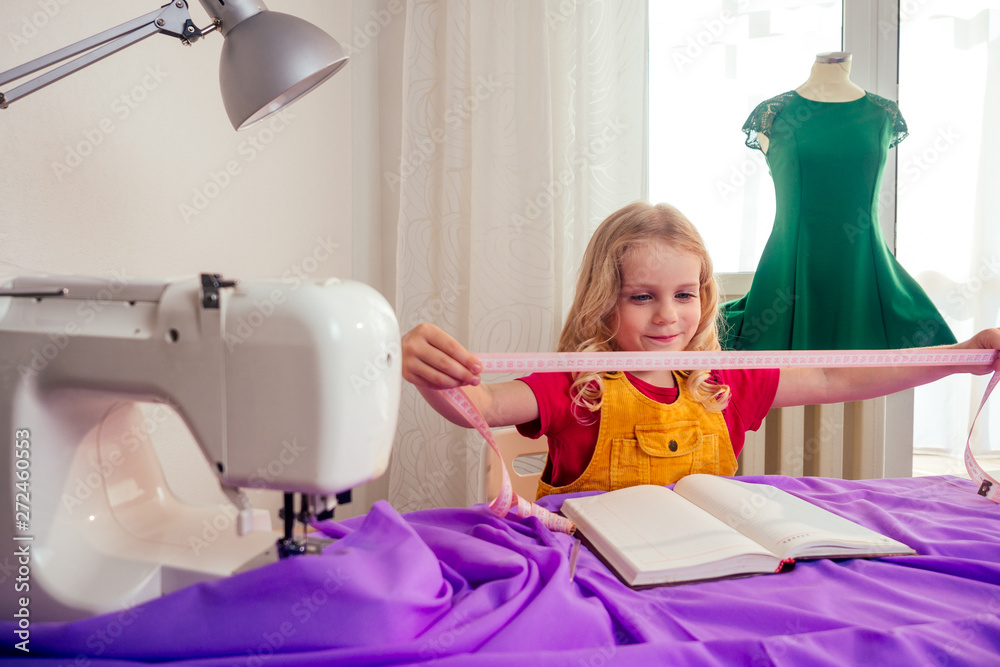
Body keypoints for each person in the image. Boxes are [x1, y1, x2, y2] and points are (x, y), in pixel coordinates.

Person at [403, 201, 1000, 499]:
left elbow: (830, 378)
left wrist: (962, 354)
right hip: (599, 581)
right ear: (603, 299)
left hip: (710, 580)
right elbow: (480, 403)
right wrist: (433, 373)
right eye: (642, 296)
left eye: (684, 294)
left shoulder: (724, 383)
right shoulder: (575, 385)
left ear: (704, 296)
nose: (669, 316)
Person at [720, 52, 956, 351]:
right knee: (770, 369)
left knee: (878, 366)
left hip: (863, 265)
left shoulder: (883, 114)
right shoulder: (774, 114)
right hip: (790, 261)